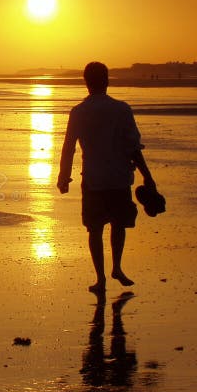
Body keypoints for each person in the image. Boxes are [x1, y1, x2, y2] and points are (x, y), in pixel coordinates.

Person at [57, 61, 156, 294]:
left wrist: (63, 177)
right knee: (118, 224)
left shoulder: (79, 112)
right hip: (119, 177)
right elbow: (133, 147)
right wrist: (148, 176)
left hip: (93, 178)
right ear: (107, 80)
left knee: (94, 229)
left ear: (86, 82)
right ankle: (117, 268)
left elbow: (68, 147)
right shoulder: (122, 109)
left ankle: (101, 278)